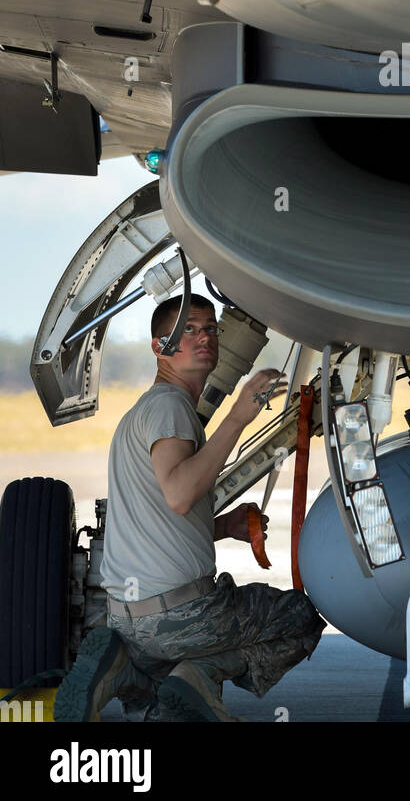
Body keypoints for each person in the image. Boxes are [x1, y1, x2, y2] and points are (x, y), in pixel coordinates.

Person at [55, 293, 324, 722]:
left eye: (210, 329)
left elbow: (157, 516)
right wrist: (238, 416)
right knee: (301, 617)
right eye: (188, 331)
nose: (204, 338)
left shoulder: (142, 413)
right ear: (160, 347)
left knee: (157, 702)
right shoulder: (170, 407)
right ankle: (200, 674)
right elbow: (180, 495)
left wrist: (220, 526)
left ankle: (121, 666)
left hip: (126, 620)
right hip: (183, 616)